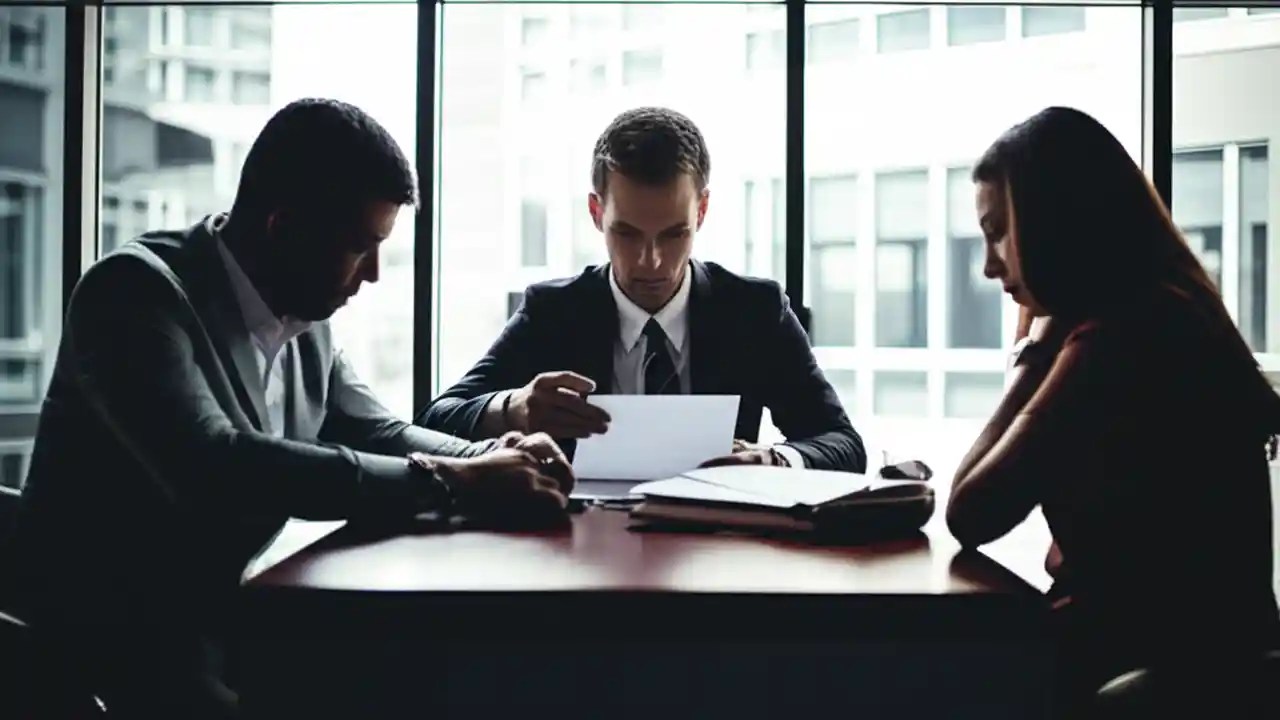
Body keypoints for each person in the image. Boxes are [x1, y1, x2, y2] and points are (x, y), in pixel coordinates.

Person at [9, 98, 574, 719]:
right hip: (102, 651)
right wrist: (452, 480)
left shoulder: (305, 316)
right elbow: (215, 465)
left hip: (224, 624)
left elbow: (378, 430)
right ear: (284, 228)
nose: (375, 275)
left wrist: (495, 455)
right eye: (362, 248)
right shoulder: (132, 294)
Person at [946, 106, 1280, 715]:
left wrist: (1034, 348)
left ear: (1052, 222)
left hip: (1155, 683)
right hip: (1217, 669)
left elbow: (971, 510)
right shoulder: (1170, 307)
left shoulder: (1114, 339)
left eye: (998, 232)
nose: (991, 264)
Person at [417, 107, 865, 472]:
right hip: (580, 544)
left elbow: (843, 443)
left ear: (702, 210)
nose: (651, 262)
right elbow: (433, 421)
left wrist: (774, 459)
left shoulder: (754, 311)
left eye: (673, 235)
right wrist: (512, 408)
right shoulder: (554, 311)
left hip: (720, 548)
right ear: (596, 212)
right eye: (627, 234)